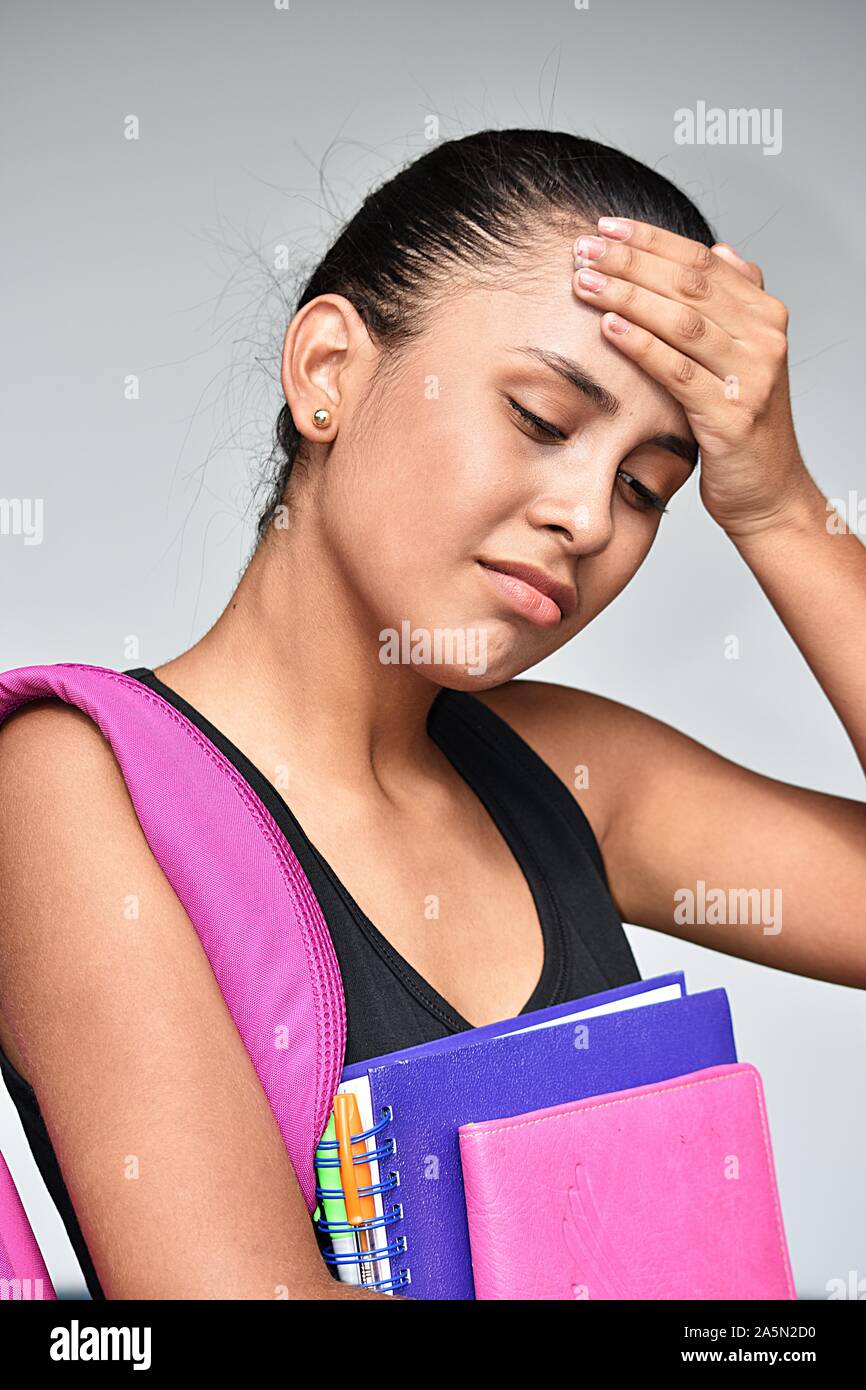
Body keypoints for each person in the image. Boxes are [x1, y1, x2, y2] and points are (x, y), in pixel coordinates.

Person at [0, 129, 863, 1301]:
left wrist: (774, 506)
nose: (585, 518)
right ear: (327, 372)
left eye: (644, 486)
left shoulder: (564, 770)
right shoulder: (67, 784)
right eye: (543, 419)